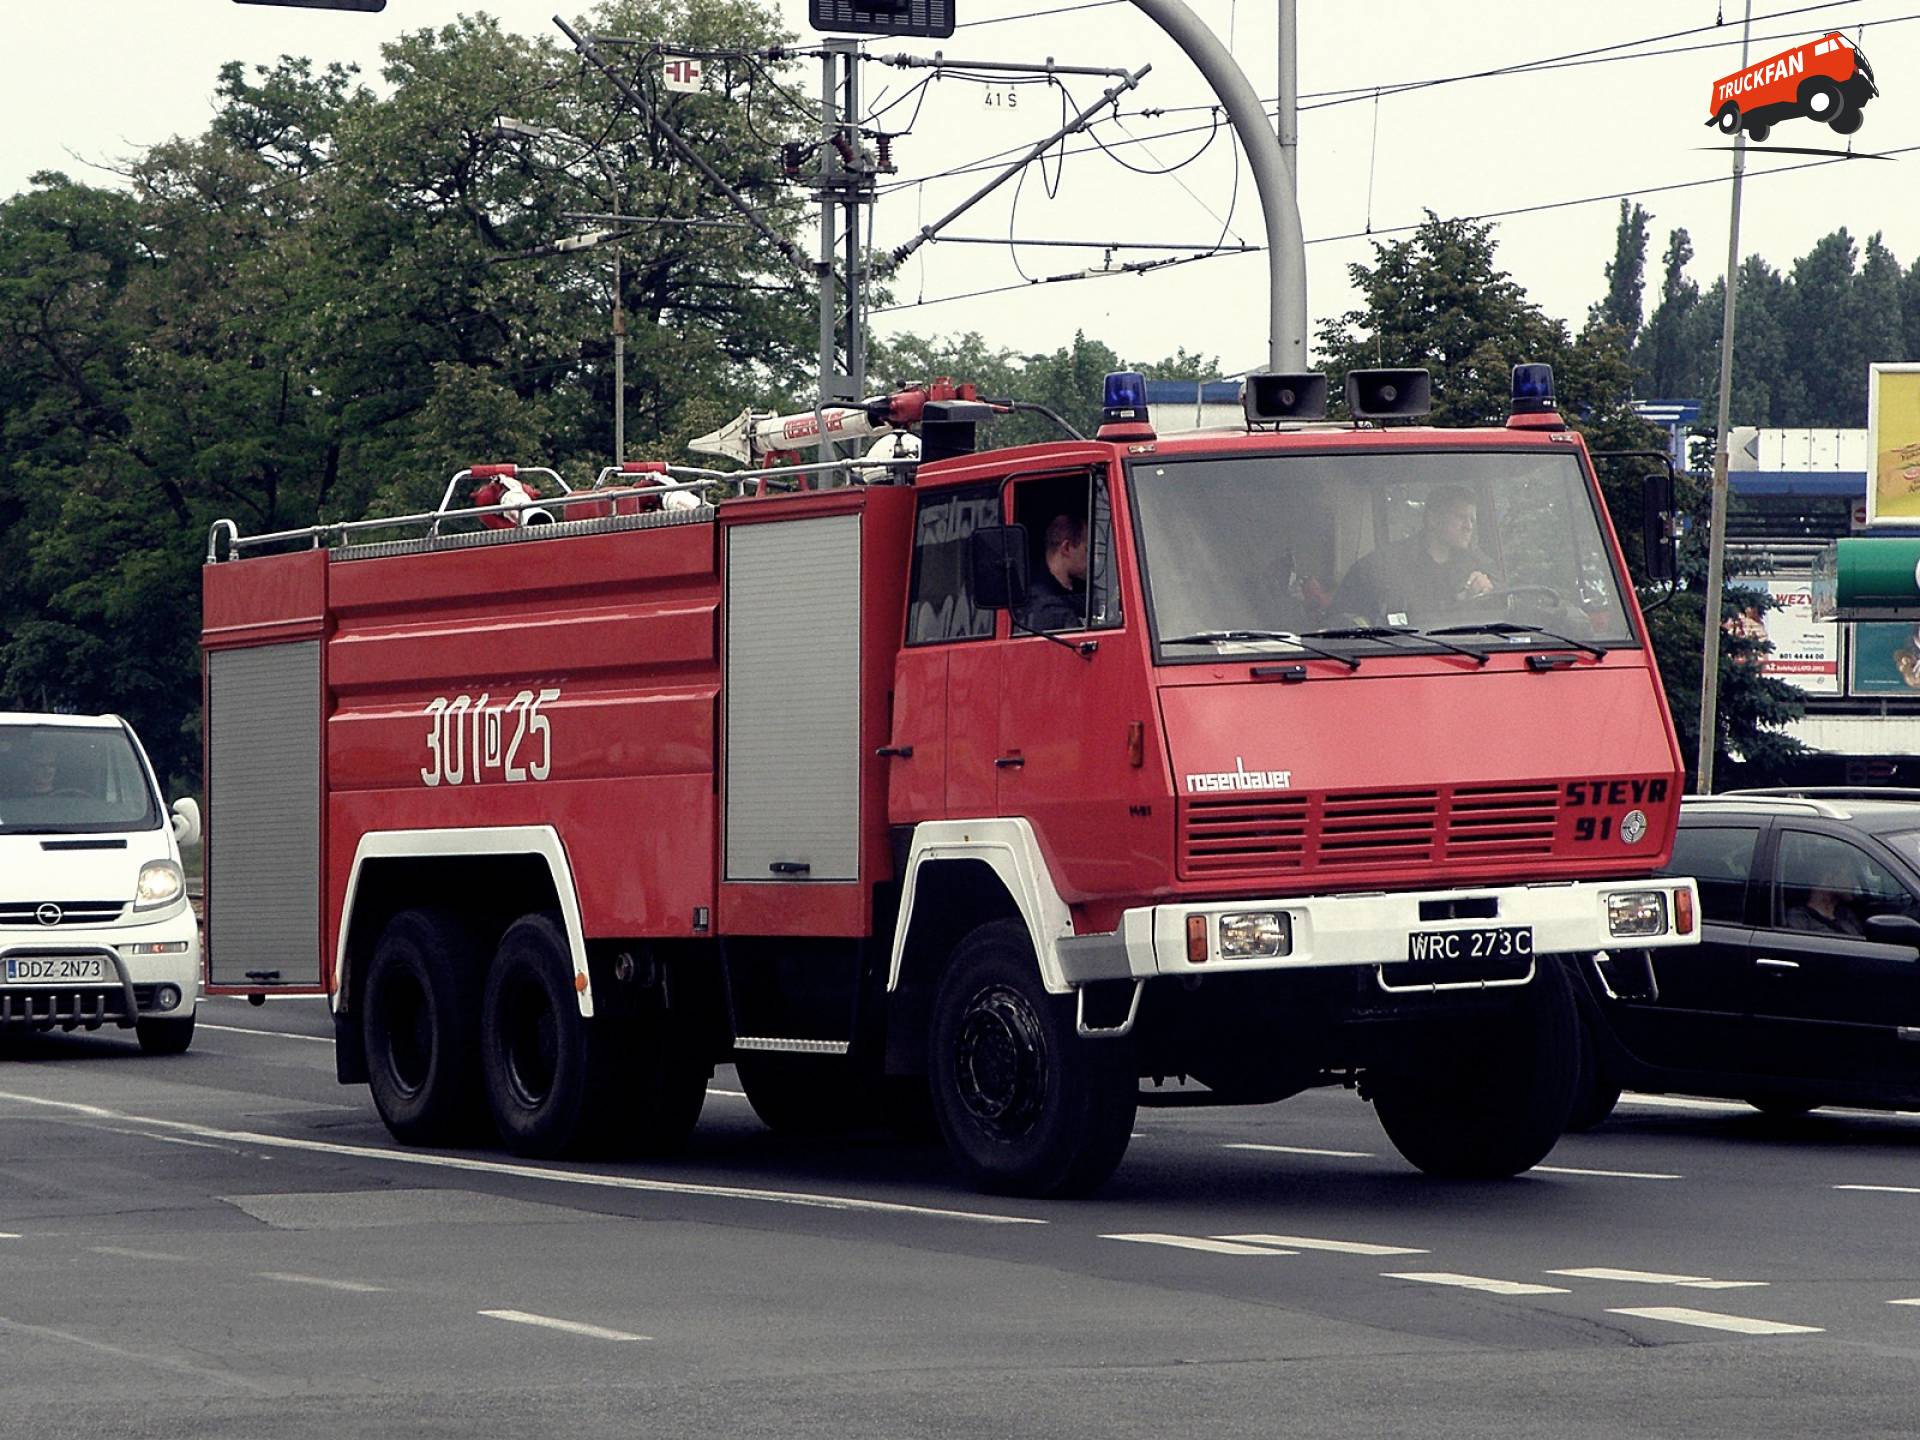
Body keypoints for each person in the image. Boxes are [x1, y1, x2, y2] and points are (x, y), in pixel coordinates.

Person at [1334, 485, 1495, 625]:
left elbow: (1510, 609)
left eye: (1472, 520)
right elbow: (1342, 620)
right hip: (1397, 655)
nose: (1468, 527)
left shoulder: (1479, 565)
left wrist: (1488, 594)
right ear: (1433, 519)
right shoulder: (1383, 564)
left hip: (1471, 652)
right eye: (1461, 517)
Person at [1021, 512, 1089, 632]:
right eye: (1087, 550)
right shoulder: (1041, 604)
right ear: (1066, 548)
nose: (1096, 559)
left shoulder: (1079, 590)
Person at [1784, 851, 1865, 936]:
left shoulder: (1846, 914)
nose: (1854, 883)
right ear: (1829, 878)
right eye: (1849, 876)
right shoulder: (1800, 919)